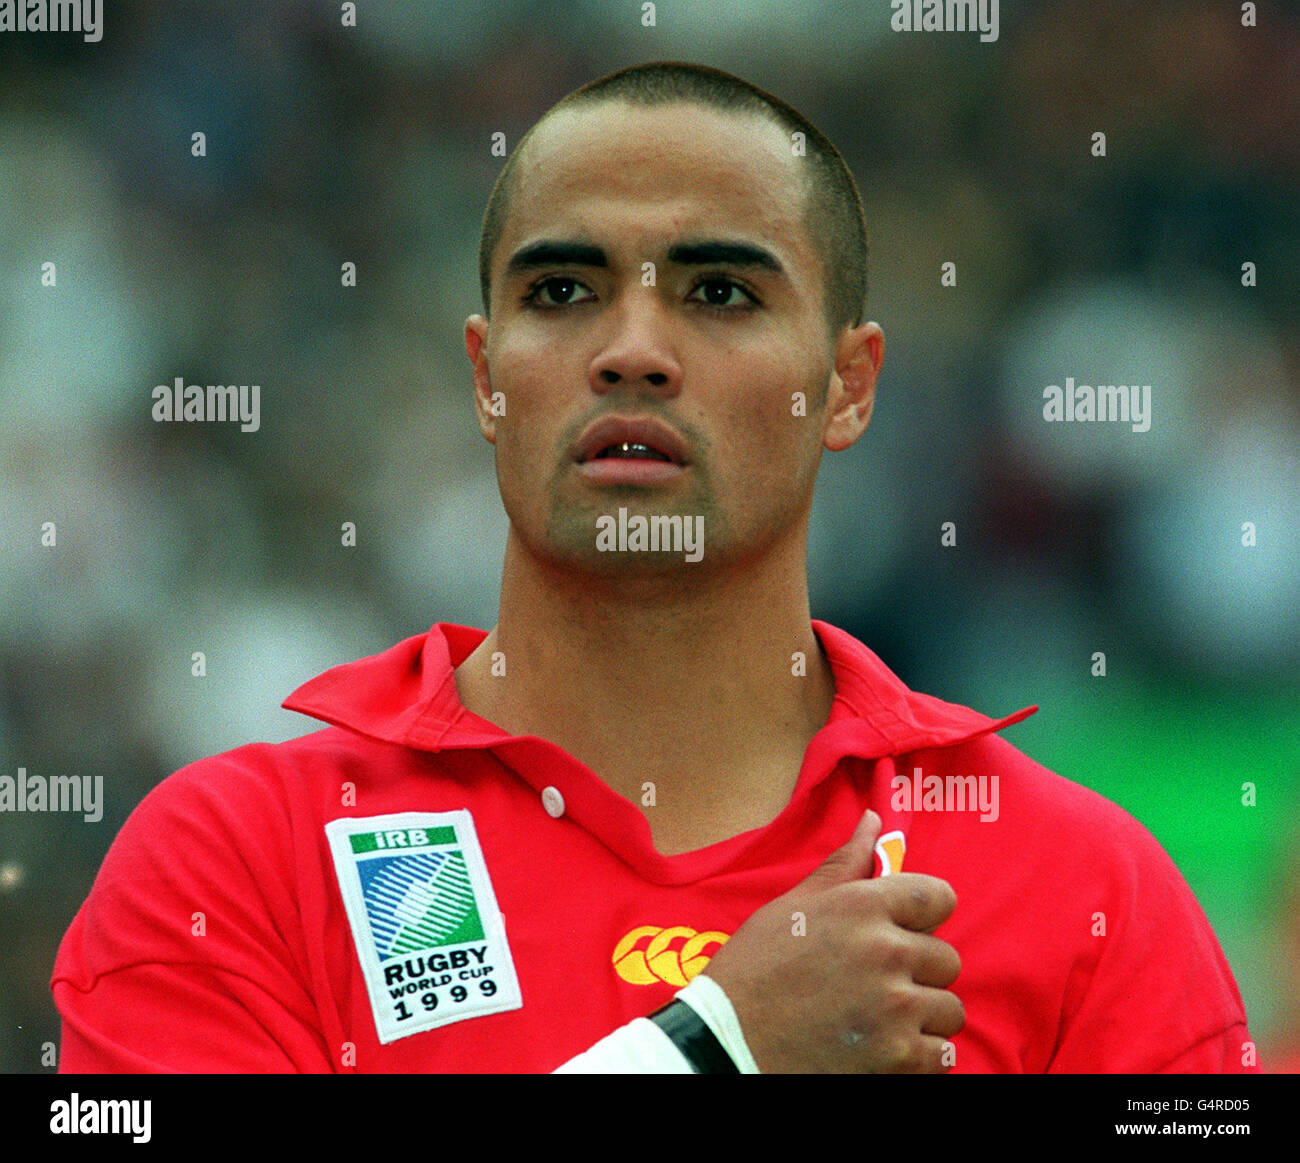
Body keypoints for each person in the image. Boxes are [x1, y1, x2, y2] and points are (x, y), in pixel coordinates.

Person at [52, 61, 1258, 1074]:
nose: (631, 350)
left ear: (848, 385)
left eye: (719, 291)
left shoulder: (1081, 886)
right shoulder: (235, 859)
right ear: (484, 374)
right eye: (563, 289)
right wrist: (713, 1045)